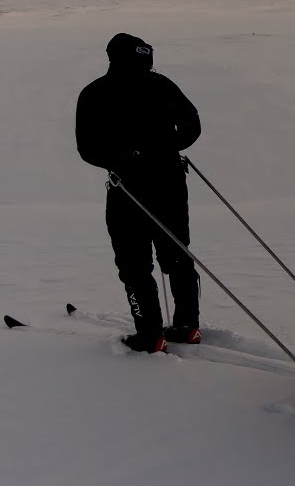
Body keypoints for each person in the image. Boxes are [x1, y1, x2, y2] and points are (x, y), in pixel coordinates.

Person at [76, 33, 203, 353]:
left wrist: (127, 158)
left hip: (127, 189)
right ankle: (188, 326)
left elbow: (87, 149)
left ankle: (150, 334)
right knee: (177, 253)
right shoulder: (162, 85)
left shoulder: (95, 93)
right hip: (171, 181)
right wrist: (167, 148)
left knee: (134, 263)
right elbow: (192, 125)